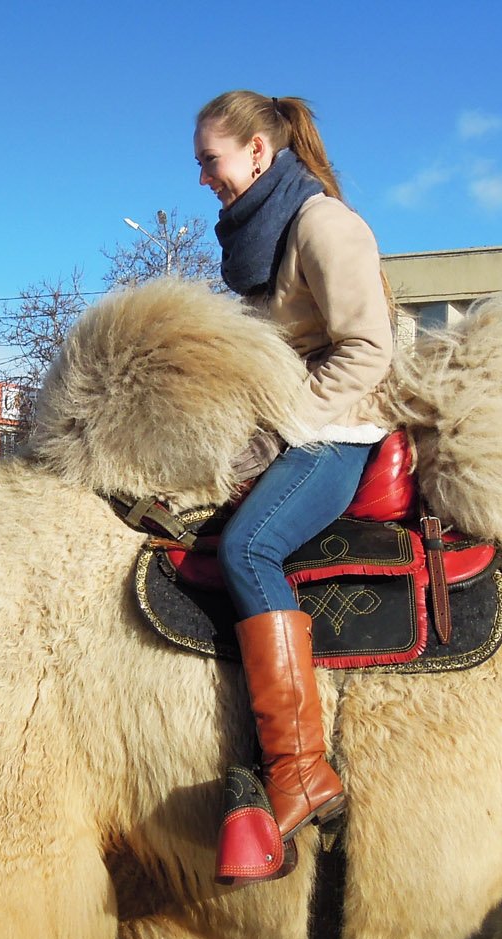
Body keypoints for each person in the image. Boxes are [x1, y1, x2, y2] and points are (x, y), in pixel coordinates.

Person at [195, 91, 395, 882]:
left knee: (249, 549)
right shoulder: (256, 235)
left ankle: (302, 768)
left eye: (211, 160)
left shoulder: (323, 225)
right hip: (284, 422)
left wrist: (283, 425)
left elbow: (367, 352)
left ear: (255, 151)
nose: (205, 178)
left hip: (339, 428)